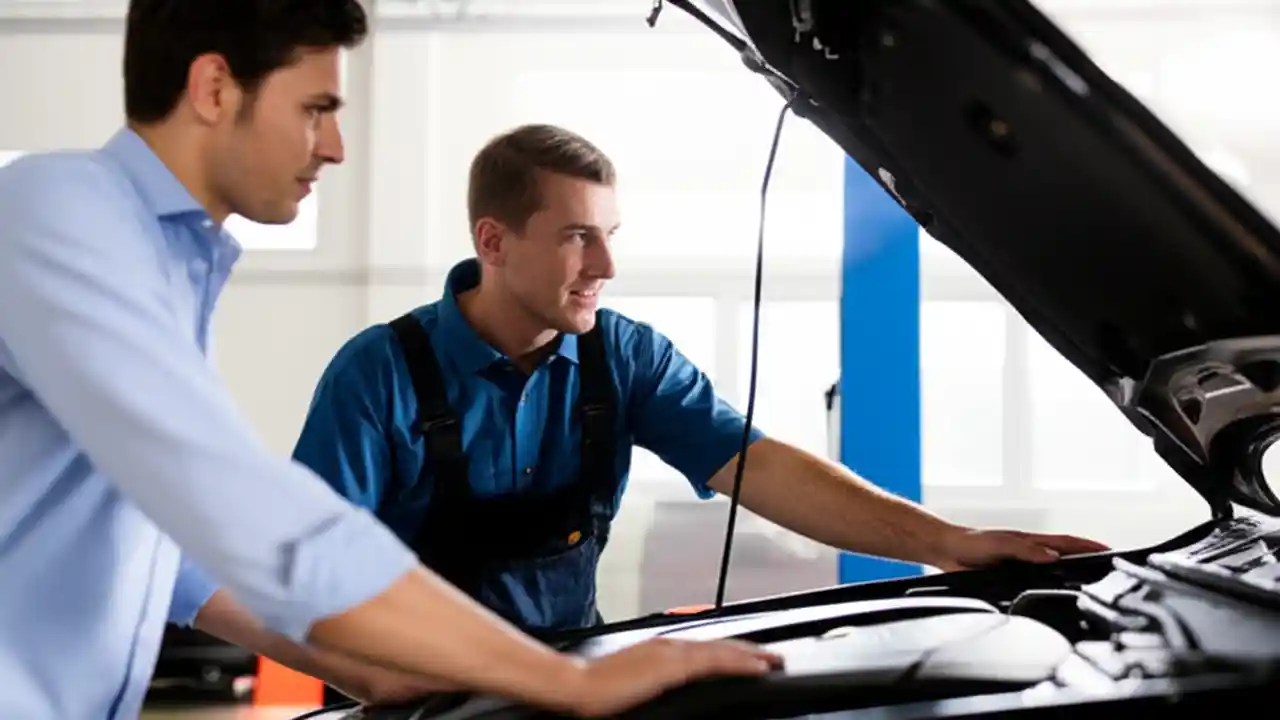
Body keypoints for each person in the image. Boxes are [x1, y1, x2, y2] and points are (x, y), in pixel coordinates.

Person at [0, 2, 784, 718]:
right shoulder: (61, 215)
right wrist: (565, 681)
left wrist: (373, 672)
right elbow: (245, 509)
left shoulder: (168, 259)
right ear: (213, 88)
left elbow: (164, 545)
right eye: (316, 110)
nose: (336, 148)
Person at [291, 123, 1111, 647]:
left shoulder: (628, 360)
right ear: (493, 240)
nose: (607, 267)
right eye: (579, 237)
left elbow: (761, 466)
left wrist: (949, 544)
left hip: (575, 676)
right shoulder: (378, 376)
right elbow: (302, 576)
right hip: (413, 695)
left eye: (610, 236)